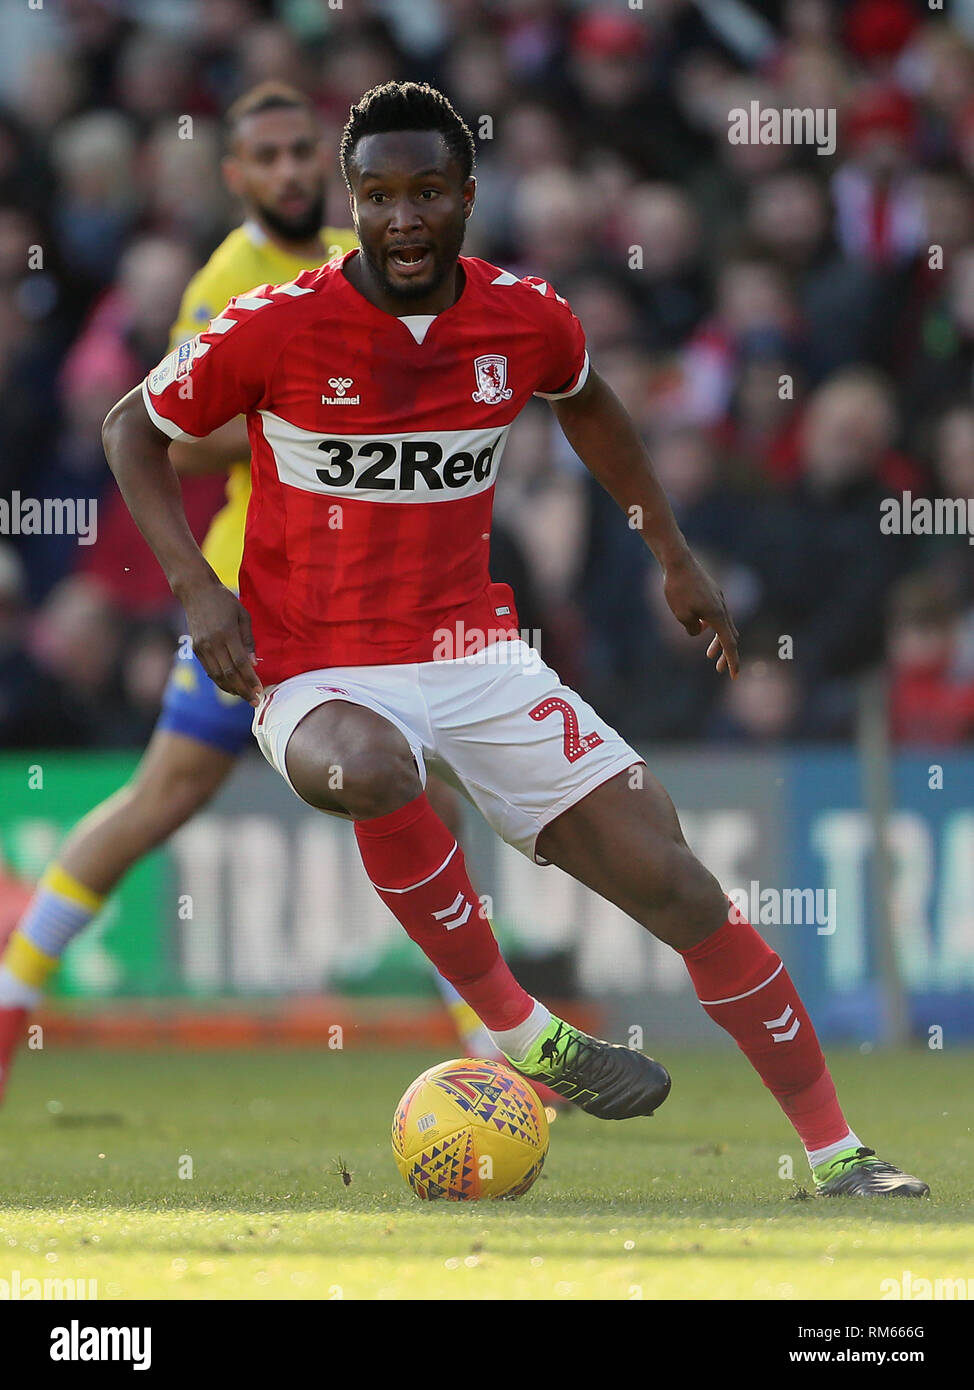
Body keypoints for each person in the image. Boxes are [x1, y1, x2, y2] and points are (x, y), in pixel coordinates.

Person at [102, 82, 927, 1197]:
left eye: (426, 193)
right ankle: (522, 1028)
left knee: (678, 886)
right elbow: (130, 429)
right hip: (318, 665)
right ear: (355, 201)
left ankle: (839, 1154)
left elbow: (587, 402)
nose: (403, 218)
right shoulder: (276, 323)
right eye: (380, 195)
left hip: (474, 658)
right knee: (372, 769)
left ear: (465, 198)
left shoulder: (523, 317)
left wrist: (669, 551)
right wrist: (199, 590)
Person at [0, 83, 498, 1104]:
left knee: (431, 805)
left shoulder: (353, 254)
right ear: (232, 175)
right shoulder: (223, 283)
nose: (286, 171)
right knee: (159, 802)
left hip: (356, 590)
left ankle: (497, 1053)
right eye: (263, 157)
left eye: (298, 153)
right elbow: (173, 434)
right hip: (254, 592)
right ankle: (10, 1004)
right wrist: (319, 419)